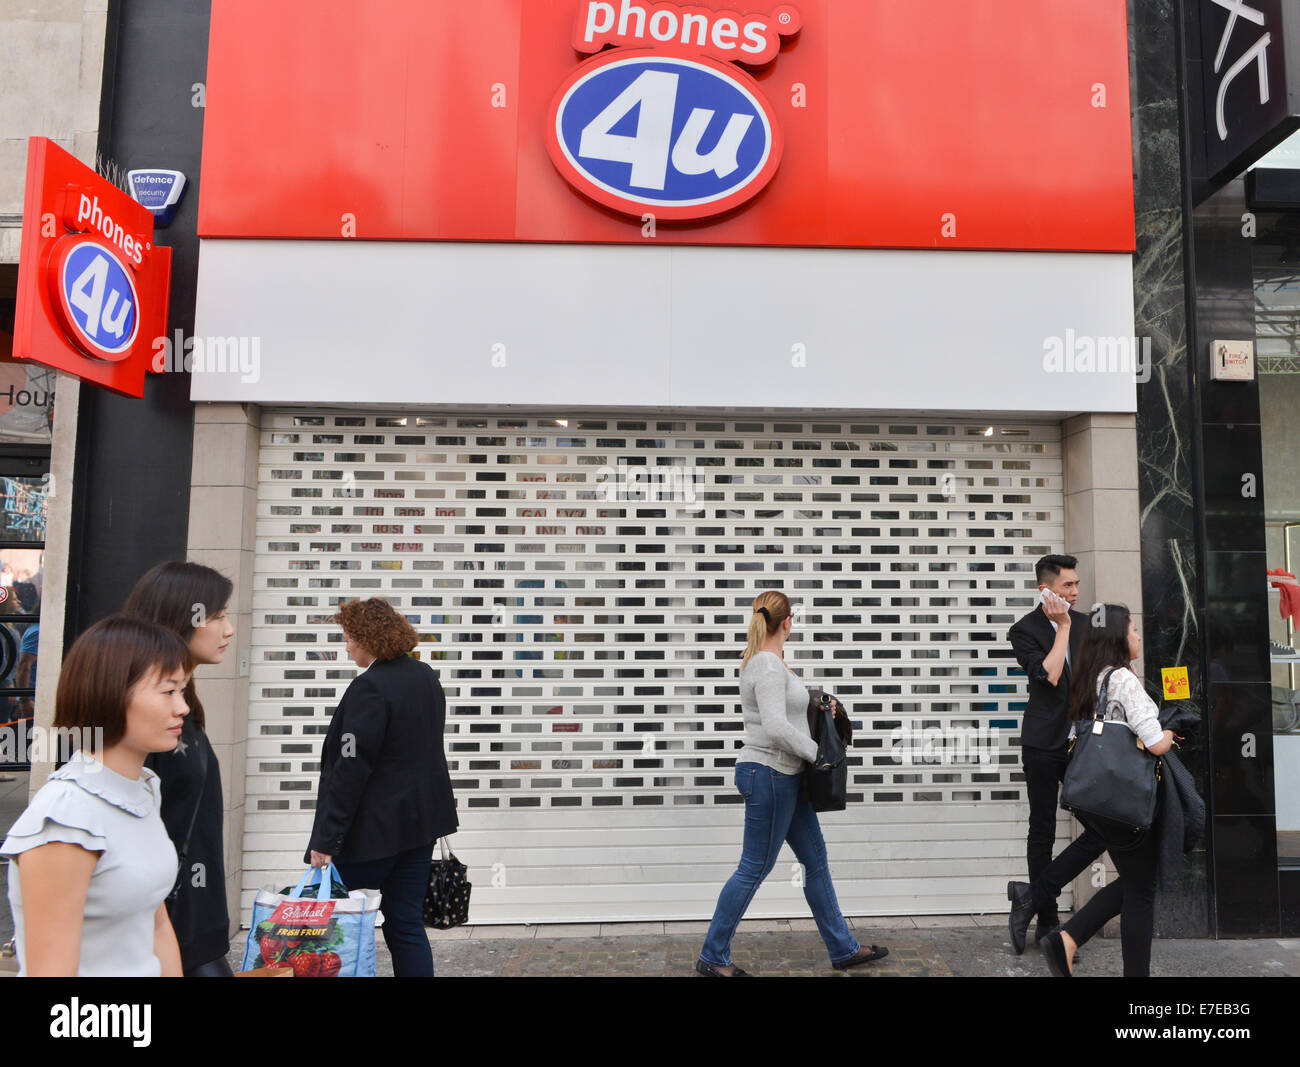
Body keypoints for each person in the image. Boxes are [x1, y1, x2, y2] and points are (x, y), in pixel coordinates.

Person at [696, 590, 888, 976]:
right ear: (787, 622)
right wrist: (821, 754)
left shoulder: (771, 663)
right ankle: (713, 956)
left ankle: (843, 949)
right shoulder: (767, 664)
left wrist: (819, 705)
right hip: (768, 774)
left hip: (785, 775)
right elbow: (776, 726)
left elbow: (786, 713)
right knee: (753, 868)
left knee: (814, 862)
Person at [0, 615, 190, 976]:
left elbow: (156, 924)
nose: (182, 707)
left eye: (183, 690)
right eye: (168, 691)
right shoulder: (66, 815)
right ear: (111, 692)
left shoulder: (142, 790)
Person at [305, 597, 458, 977]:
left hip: (372, 834)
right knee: (405, 924)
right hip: (418, 828)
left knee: (333, 923)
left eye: (349, 639)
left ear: (369, 639)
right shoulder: (425, 676)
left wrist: (325, 839)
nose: (346, 647)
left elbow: (350, 769)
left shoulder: (369, 687)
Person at [1040, 603, 1175, 977]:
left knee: (1137, 883)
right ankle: (1073, 941)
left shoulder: (1091, 678)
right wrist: (1170, 733)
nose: (1137, 636)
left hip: (1100, 801)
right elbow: (1153, 741)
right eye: (1133, 629)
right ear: (1118, 637)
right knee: (1141, 890)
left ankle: (1066, 938)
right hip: (1126, 801)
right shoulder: (1123, 679)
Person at [123, 561, 237, 977]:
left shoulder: (183, 707)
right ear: (181, 615)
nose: (227, 630)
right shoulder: (140, 713)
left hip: (193, 925)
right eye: (217, 615)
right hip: (166, 928)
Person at [1005, 553, 1106, 952]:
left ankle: (1029, 895)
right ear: (1045, 589)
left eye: (1078, 585)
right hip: (1043, 742)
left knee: (1102, 824)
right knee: (1042, 828)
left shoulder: (1088, 626)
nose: (1076, 592)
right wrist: (1061, 626)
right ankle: (1048, 920)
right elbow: (1048, 674)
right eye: (1068, 586)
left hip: (1084, 741)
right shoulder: (1024, 630)